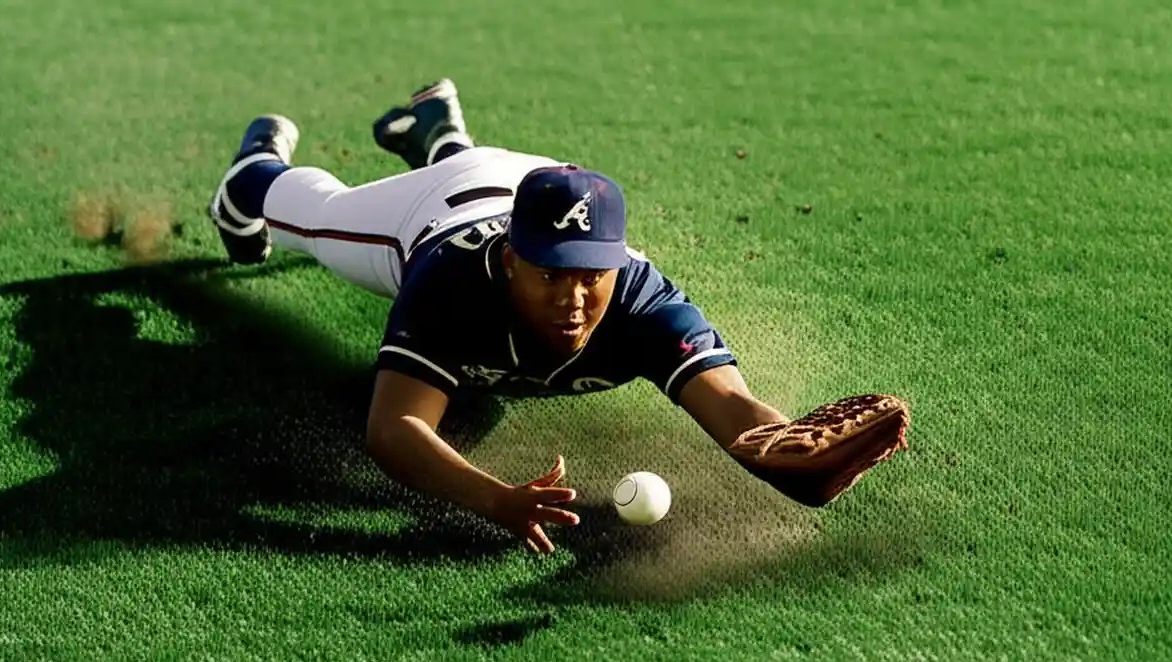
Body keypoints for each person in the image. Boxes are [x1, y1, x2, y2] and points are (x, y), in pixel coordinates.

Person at [206, 79, 911, 555]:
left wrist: (785, 451)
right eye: (550, 273)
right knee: (320, 222)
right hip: (444, 207)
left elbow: (737, 411)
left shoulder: (646, 304)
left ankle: (439, 129)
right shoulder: (453, 280)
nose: (573, 297)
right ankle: (252, 178)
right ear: (513, 259)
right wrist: (495, 499)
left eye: (589, 275)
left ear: (617, 262)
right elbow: (393, 428)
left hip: (529, 185)